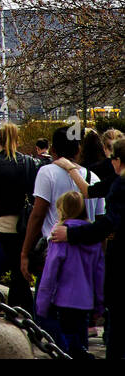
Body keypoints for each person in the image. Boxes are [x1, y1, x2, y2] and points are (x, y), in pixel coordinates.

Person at [52, 135, 125, 360]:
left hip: (121, 256)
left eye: (112, 158)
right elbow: (90, 191)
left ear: (119, 160)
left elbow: (109, 222)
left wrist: (72, 233)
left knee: (118, 321)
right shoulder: (116, 180)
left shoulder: (121, 184)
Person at [35, 190, 104, 358]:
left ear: (62, 210)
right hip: (86, 299)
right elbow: (99, 272)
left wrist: (42, 302)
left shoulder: (60, 235)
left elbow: (50, 271)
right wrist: (99, 303)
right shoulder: (92, 235)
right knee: (81, 341)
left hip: (64, 299)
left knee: (65, 345)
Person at [21, 126, 90, 288]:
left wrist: (25, 253)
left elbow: (38, 215)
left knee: (44, 306)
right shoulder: (91, 178)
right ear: (78, 150)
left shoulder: (47, 173)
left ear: (52, 150)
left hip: (55, 252)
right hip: (85, 254)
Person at [0, 122, 39, 310]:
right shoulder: (28, 162)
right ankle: (24, 305)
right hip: (25, 219)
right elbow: (32, 191)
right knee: (20, 264)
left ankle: (17, 305)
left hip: (5, 219)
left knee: (14, 264)